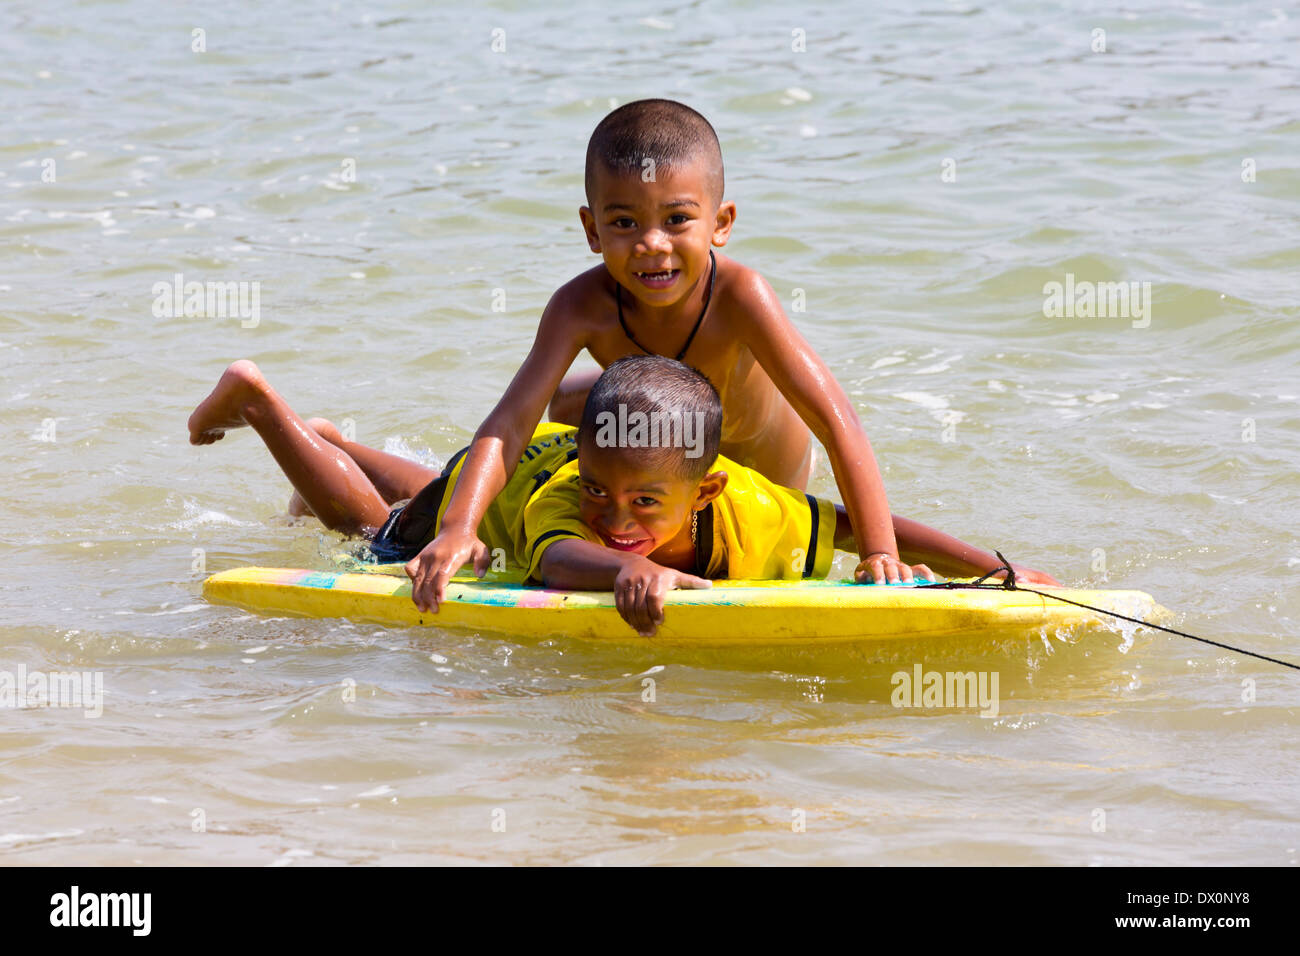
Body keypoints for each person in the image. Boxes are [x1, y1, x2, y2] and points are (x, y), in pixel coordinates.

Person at [404, 98, 1057, 613]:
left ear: (721, 222)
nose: (652, 245)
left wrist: (882, 555)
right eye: (625, 222)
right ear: (590, 228)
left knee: (812, 523)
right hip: (654, 471)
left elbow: (838, 422)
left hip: (747, 479)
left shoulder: (742, 296)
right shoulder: (581, 305)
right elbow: (509, 423)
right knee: (569, 405)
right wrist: (460, 529)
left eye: (677, 220)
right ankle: (412, 494)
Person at [187, 356, 1057, 636]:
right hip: (516, 480)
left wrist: (998, 569)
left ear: (708, 491)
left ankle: (335, 439)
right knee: (374, 529)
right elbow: (563, 554)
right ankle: (266, 408)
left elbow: (856, 527)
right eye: (606, 496)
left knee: (434, 484)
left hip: (533, 462)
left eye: (647, 506)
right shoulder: (579, 501)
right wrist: (623, 571)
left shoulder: (749, 505)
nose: (617, 518)